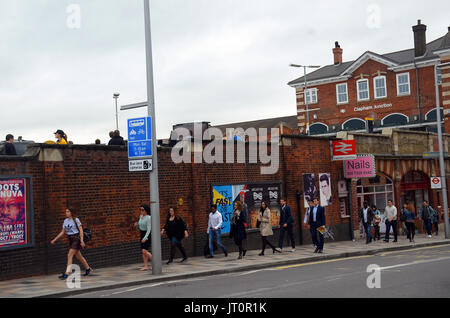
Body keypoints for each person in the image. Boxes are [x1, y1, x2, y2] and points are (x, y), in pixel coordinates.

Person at [50, 207, 92, 279]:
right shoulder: (65, 221)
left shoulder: (76, 220)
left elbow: (81, 231)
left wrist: (82, 241)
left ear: (71, 212)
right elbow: (62, 232)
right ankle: (88, 269)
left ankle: (67, 273)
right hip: (70, 239)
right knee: (79, 256)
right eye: (66, 211)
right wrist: (55, 239)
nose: (66, 213)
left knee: (69, 255)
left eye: (68, 211)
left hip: (76, 239)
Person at [135, 204, 152, 271]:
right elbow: (140, 226)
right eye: (140, 210)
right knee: (143, 251)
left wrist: (145, 238)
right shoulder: (141, 216)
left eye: (142, 210)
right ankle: (145, 266)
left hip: (147, 234)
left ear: (146, 210)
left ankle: (155, 262)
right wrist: (137, 224)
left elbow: (149, 229)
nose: (141, 211)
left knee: (144, 251)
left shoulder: (149, 217)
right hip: (141, 233)